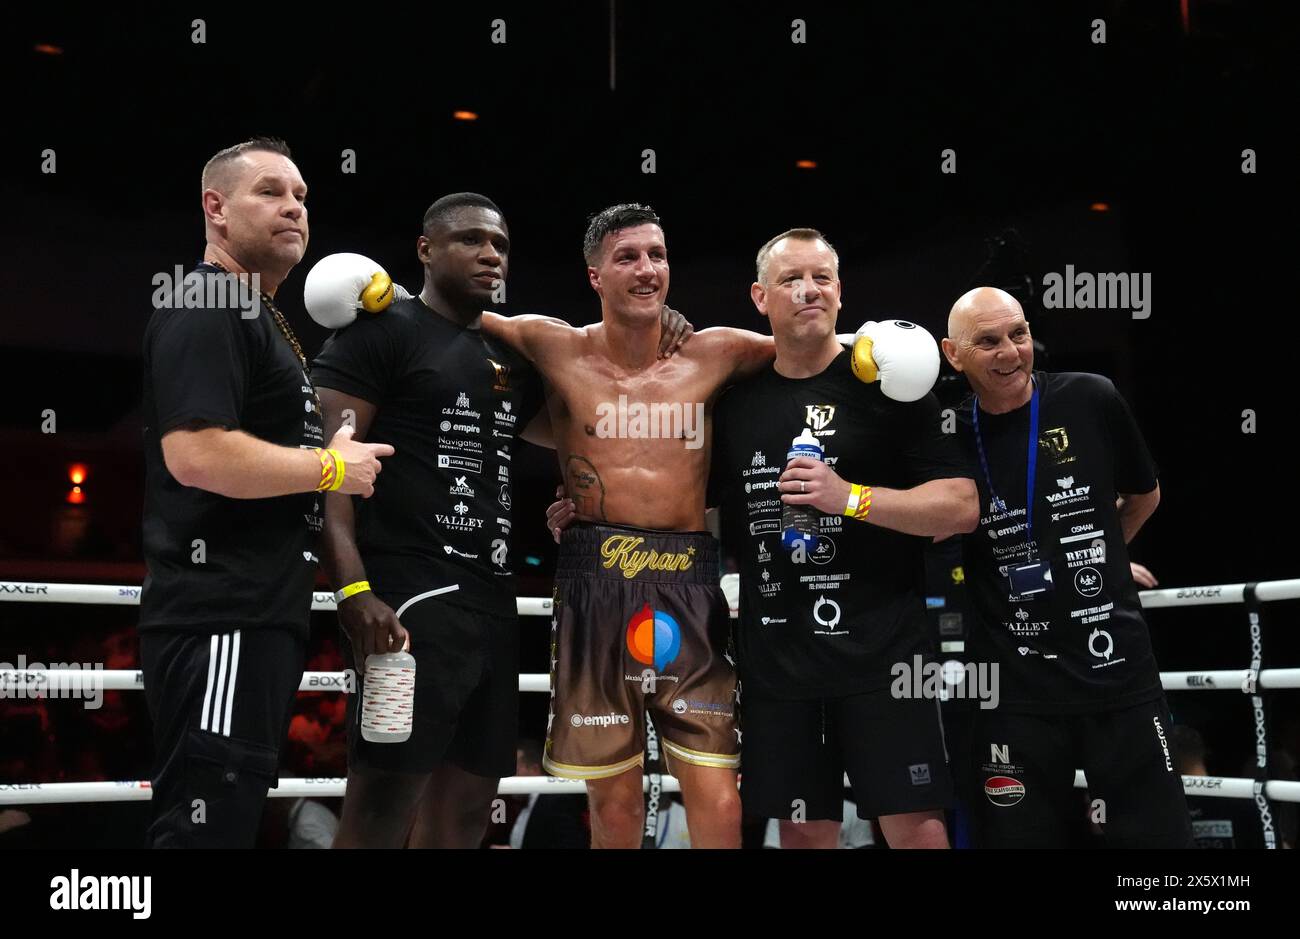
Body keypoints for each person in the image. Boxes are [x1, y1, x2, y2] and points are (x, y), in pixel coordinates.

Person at [305, 196, 689, 848]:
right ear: (426, 249)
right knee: (381, 799)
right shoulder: (380, 331)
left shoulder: (506, 355)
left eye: (501, 245)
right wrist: (352, 590)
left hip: (490, 607)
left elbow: (584, 430)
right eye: (472, 241)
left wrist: (649, 330)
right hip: (403, 603)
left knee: (466, 807)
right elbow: (327, 470)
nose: (491, 255)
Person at [139, 137, 389, 848]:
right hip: (221, 615)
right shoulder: (209, 299)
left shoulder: (258, 315)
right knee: (204, 824)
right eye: (271, 192)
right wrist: (330, 468)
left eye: (303, 196)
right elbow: (195, 453)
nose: (294, 207)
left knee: (228, 814)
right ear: (215, 208)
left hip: (254, 617)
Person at [709, 228, 977, 848]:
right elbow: (684, 501)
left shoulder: (891, 386)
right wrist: (585, 505)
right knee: (804, 833)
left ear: (840, 291)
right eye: (791, 279)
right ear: (759, 296)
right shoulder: (735, 405)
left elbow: (961, 506)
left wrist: (849, 497)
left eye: (822, 278)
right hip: (778, 661)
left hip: (885, 656)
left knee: (916, 829)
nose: (809, 290)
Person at [940, 285, 1193, 848]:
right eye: (988, 341)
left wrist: (1100, 554)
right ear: (952, 355)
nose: (1010, 352)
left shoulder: (1090, 398)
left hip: (1116, 669)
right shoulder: (946, 432)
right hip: (1012, 690)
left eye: (1019, 334)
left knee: (1158, 845)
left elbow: (1144, 495)